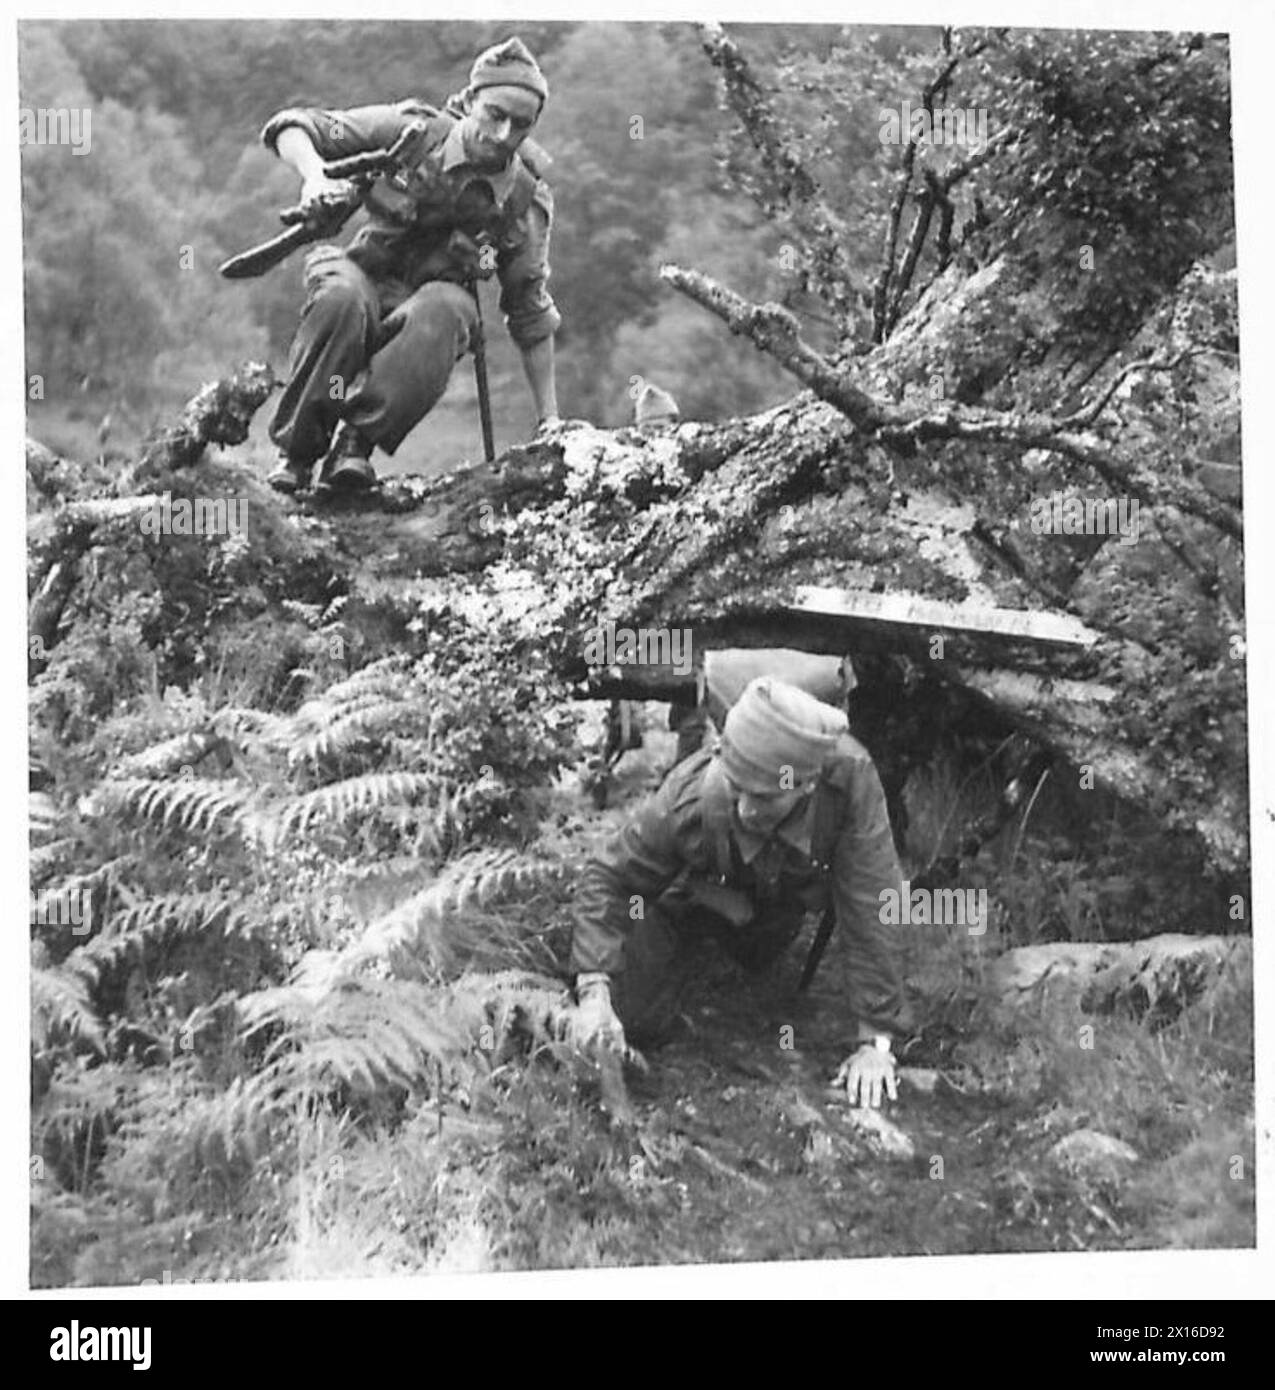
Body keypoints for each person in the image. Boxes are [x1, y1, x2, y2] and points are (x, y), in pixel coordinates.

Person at [570, 676, 911, 1109]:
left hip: (775, 907)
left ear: (804, 784)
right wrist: (593, 990)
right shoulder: (690, 794)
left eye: (764, 797)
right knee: (634, 1016)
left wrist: (874, 1042)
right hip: (688, 896)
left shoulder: (849, 784)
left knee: (759, 959)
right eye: (738, 790)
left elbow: (873, 903)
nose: (747, 809)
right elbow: (609, 876)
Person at [258, 36, 561, 494]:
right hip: (361, 274)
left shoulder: (522, 200)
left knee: (447, 311)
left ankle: (354, 449)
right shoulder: (412, 132)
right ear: (471, 100)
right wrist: (314, 176)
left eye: (519, 125)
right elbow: (295, 127)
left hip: (429, 306)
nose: (502, 135)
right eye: (494, 115)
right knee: (342, 301)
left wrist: (550, 421)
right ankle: (298, 455)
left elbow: (531, 314)